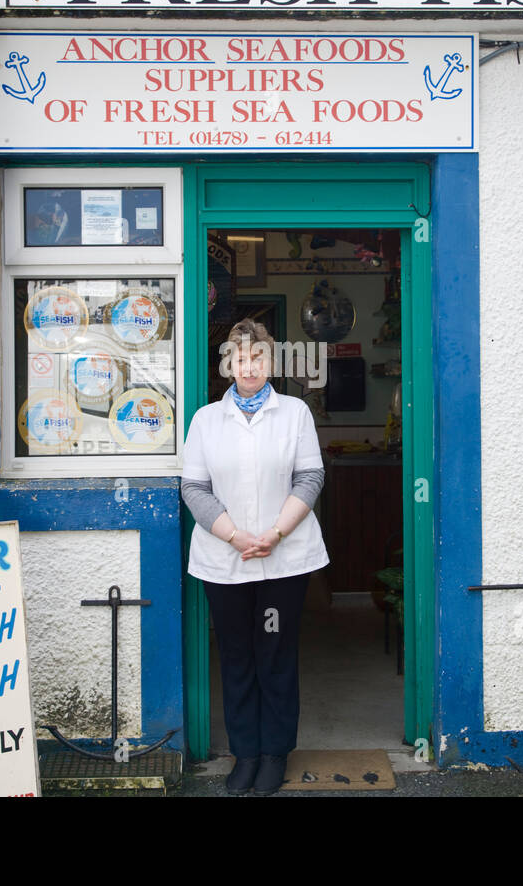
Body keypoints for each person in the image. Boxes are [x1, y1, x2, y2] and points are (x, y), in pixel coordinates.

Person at [180, 319, 328, 796]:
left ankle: (274, 753)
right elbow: (194, 487)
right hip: (225, 561)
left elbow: (309, 478)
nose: (249, 366)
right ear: (227, 365)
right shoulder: (205, 420)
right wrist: (236, 536)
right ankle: (245, 754)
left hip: (284, 561)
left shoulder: (295, 414)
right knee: (237, 657)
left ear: (271, 361)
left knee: (276, 655)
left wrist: (274, 533)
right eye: (239, 358)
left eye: (258, 357)